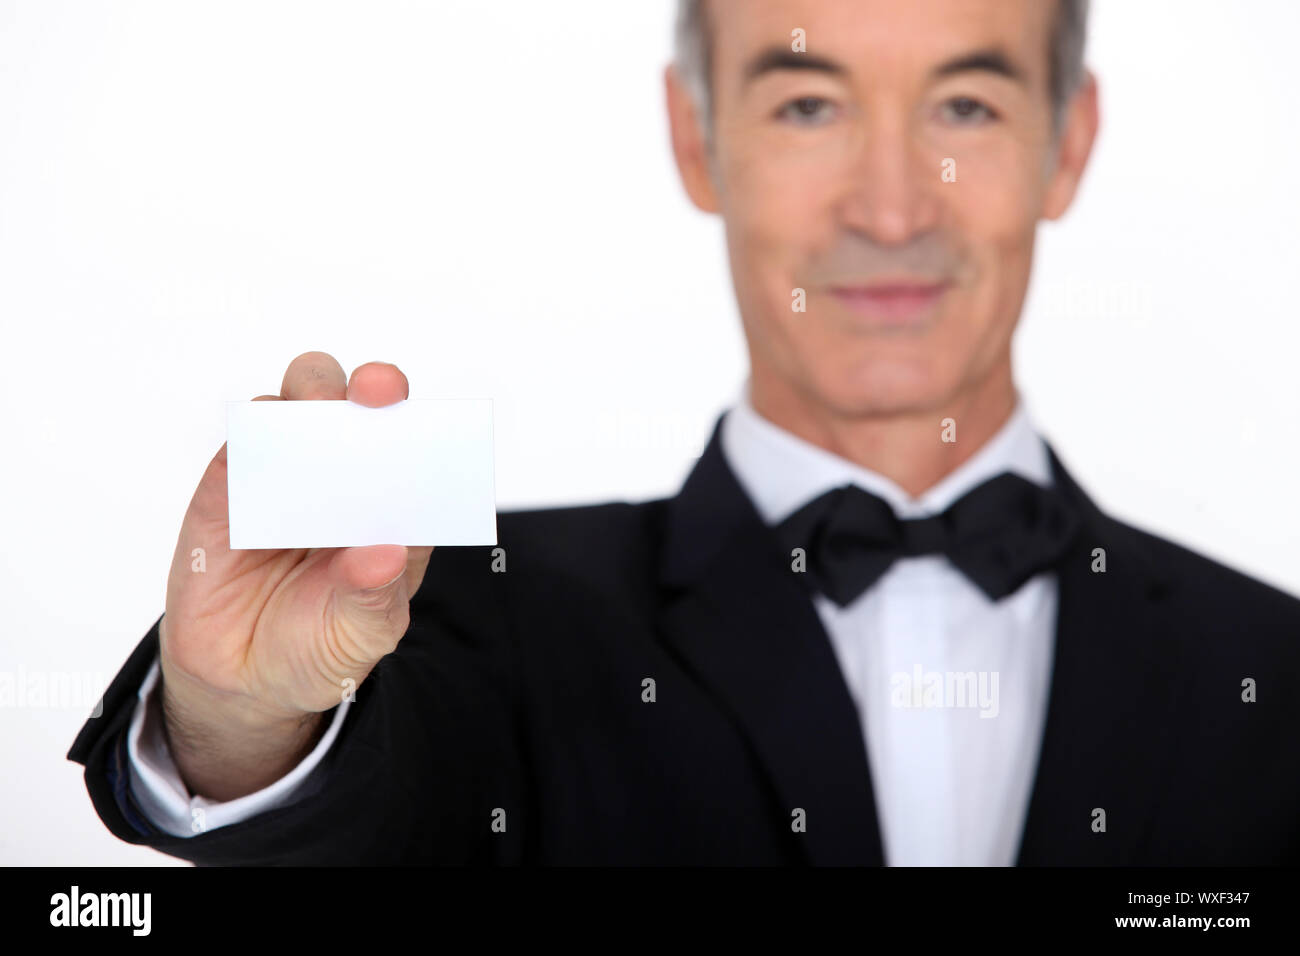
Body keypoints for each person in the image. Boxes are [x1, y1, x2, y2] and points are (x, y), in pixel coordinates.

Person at [70, 0, 1300, 865]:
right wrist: (243, 722)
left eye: (965, 104)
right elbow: (379, 809)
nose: (885, 205)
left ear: (1067, 141)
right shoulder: (471, 614)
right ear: (692, 135)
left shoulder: (1275, 665)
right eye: (809, 102)